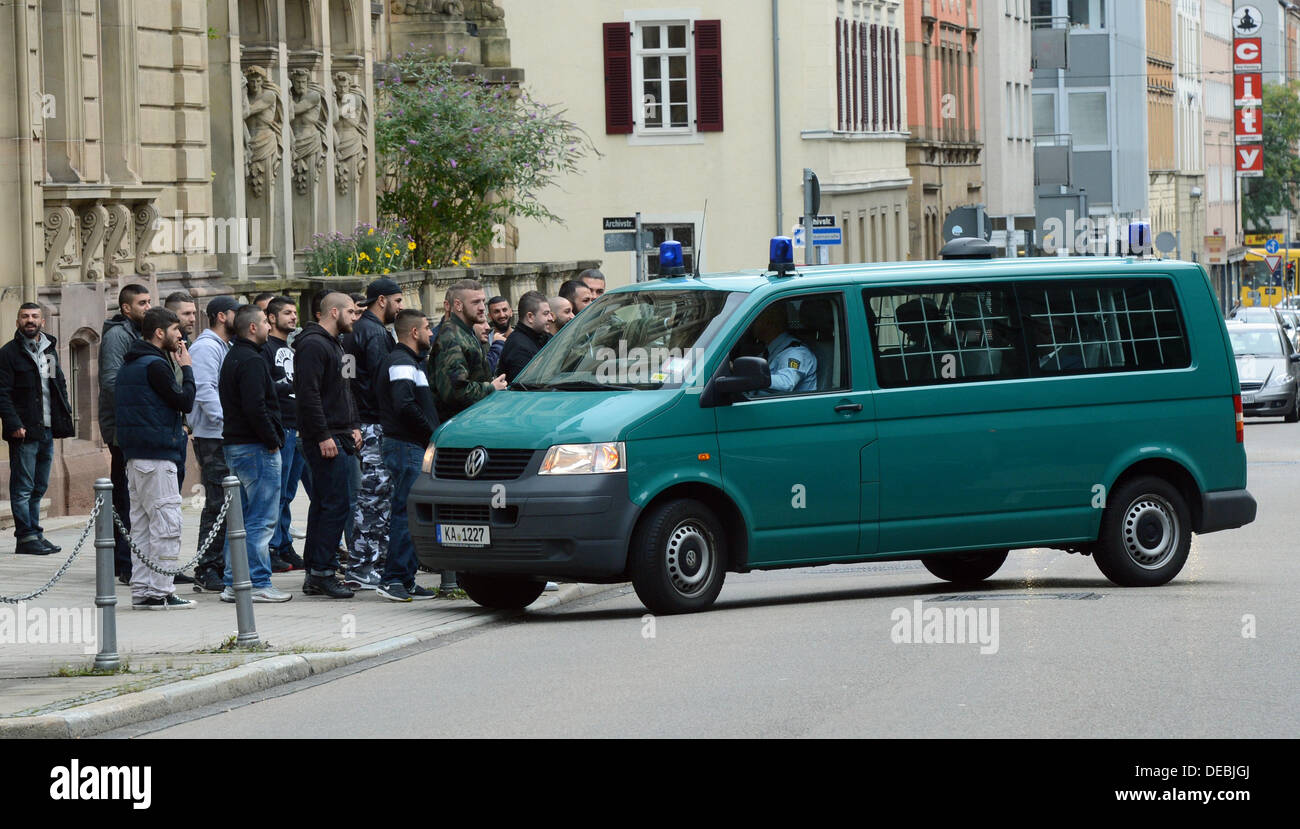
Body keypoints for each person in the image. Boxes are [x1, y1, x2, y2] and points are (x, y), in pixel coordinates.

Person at [114, 308, 196, 610]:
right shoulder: (155, 365)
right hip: (157, 456)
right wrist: (187, 369)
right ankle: (161, 591)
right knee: (166, 525)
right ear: (159, 333)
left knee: (144, 528)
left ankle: (144, 591)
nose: (181, 335)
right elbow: (184, 401)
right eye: (176, 329)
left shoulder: (131, 363)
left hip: (136, 458)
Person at [218, 304, 291, 603]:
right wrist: (272, 439)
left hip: (237, 446)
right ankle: (258, 581)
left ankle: (233, 582)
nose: (268, 326)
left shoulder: (234, 356)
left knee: (239, 519)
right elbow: (255, 406)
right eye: (263, 322)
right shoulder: (251, 360)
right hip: (255, 448)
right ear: (252, 328)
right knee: (261, 519)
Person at [294, 292, 361, 598]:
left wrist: (354, 425)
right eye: (351, 311)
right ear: (334, 312)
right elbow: (308, 395)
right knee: (334, 504)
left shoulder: (338, 344)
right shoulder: (312, 344)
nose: (355, 317)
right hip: (325, 437)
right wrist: (323, 435)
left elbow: (347, 389)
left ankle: (317, 571)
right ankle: (322, 571)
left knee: (327, 503)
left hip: (342, 433)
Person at [341, 277, 404, 591]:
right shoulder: (375, 333)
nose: (400, 307)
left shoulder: (355, 333)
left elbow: (348, 380)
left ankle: (370, 564)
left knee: (372, 497)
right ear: (383, 300)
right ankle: (365, 566)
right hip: (374, 424)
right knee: (375, 499)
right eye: (398, 300)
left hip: (361, 421)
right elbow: (384, 380)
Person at [374, 309, 440, 601]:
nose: (431, 334)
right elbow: (404, 405)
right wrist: (431, 434)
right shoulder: (401, 361)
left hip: (412, 446)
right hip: (406, 445)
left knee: (410, 513)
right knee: (405, 512)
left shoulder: (412, 361)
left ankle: (407, 578)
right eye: (427, 328)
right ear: (414, 332)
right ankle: (393, 579)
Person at [0, 303, 73, 555]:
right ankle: (25, 536)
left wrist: (64, 416)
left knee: (40, 485)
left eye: (34, 316)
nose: (29, 320)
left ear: (42, 321)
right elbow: (2, 394)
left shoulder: (49, 350)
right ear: (18, 321)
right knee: (23, 486)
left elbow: (57, 385)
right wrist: (14, 424)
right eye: (25, 316)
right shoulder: (8, 353)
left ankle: (35, 533)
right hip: (23, 431)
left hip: (47, 429)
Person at [187, 295, 240, 592]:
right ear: (222, 316)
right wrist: (226, 421)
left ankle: (219, 563)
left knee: (226, 499)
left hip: (222, 434)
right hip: (212, 435)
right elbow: (204, 390)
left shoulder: (224, 347)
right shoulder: (207, 347)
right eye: (236, 313)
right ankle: (207, 567)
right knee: (218, 501)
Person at [99, 283, 151, 583]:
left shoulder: (141, 333)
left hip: (136, 425)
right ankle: (124, 563)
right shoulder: (118, 335)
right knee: (124, 497)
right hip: (121, 428)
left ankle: (134, 560)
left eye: (148, 302)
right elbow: (110, 381)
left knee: (135, 497)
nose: (147, 306)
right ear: (126, 308)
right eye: (141, 303)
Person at [263, 296, 306, 571]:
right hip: (282, 427)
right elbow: (265, 389)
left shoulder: (293, 348)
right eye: (287, 313)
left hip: (299, 426)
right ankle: (272, 547)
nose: (293, 317)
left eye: (294, 312)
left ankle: (284, 543)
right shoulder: (266, 349)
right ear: (271, 318)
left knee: (289, 493)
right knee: (277, 492)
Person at [429, 279, 508, 422]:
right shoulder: (450, 336)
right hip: (457, 425)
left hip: (472, 419)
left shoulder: (466, 331)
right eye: (475, 302)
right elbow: (454, 391)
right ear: (458, 305)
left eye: (483, 301)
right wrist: (491, 388)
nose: (482, 307)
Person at [750, 303, 818, 395]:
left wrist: (750, 377)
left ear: (769, 323)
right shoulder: (770, 351)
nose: (752, 325)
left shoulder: (795, 352)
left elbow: (787, 383)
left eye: (756, 320)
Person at [499, 290, 553, 383]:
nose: (551, 318)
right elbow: (526, 386)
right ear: (530, 317)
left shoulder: (543, 336)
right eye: (545, 314)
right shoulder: (518, 346)